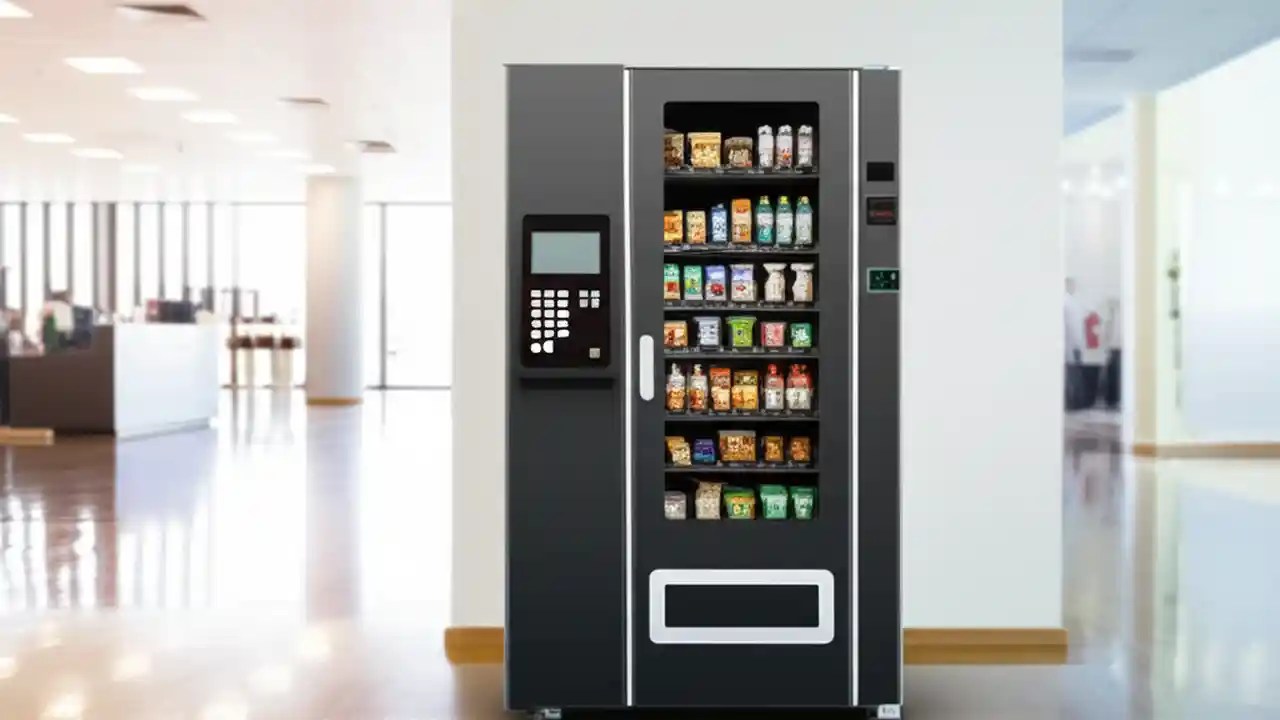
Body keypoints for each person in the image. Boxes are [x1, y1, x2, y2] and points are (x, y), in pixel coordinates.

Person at [1064, 278, 1087, 411]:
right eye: (1071, 285)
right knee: (1072, 375)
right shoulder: (1066, 302)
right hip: (1070, 344)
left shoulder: (1074, 302)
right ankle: (1073, 403)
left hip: (1075, 344)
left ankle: (1076, 403)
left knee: (1075, 374)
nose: (1074, 287)